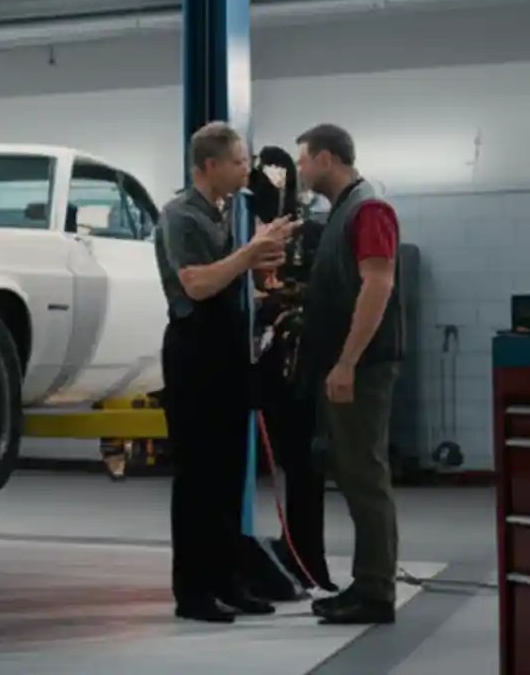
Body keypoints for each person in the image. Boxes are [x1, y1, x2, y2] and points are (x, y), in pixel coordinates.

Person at [154, 121, 298, 623]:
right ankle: (191, 591)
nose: (246, 169)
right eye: (239, 161)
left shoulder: (225, 213)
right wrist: (248, 254)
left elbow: (233, 275)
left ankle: (226, 579)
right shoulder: (179, 215)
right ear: (210, 165)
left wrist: (262, 265)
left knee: (229, 472)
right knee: (197, 476)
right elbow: (195, 283)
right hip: (195, 352)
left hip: (229, 349)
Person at [293, 123, 403, 625]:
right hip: (345, 362)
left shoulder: (369, 207)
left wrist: (347, 361)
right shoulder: (344, 210)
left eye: (303, 160)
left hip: (362, 364)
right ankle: (366, 583)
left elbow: (377, 284)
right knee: (355, 473)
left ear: (327, 159)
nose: (298, 170)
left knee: (365, 476)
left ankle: (376, 593)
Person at [248, 146, 338, 593]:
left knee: (303, 465)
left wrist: (282, 303)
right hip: (258, 363)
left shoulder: (313, 234)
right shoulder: (244, 235)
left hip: (298, 363)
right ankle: (288, 554)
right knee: (287, 463)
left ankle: (306, 557)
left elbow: (322, 294)